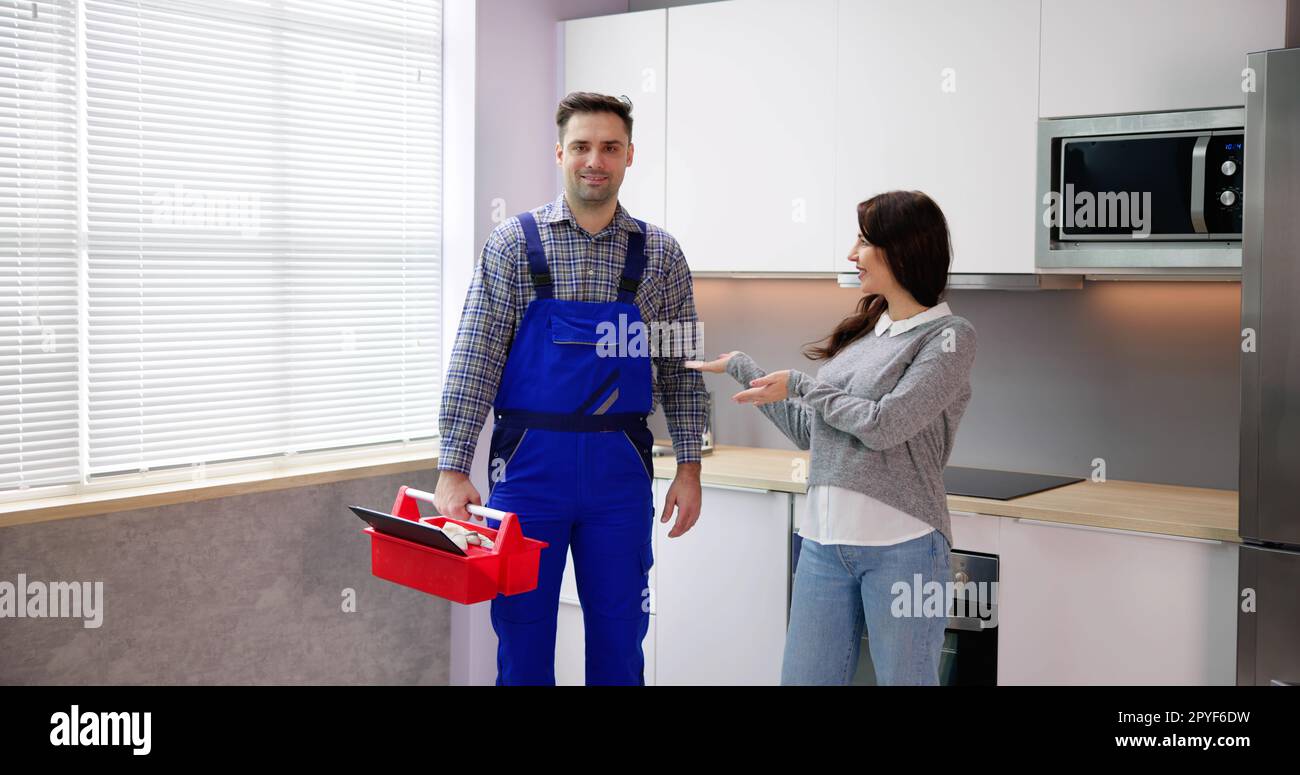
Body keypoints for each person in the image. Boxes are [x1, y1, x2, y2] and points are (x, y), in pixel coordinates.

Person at [434, 92, 708, 686]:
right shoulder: (512, 244)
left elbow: (682, 373)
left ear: (630, 156)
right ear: (560, 152)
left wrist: (690, 466)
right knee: (523, 632)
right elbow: (474, 357)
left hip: (620, 475)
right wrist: (454, 465)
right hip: (527, 473)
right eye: (582, 146)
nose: (595, 160)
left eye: (610, 147)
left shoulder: (662, 256)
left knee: (619, 636)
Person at [686, 190, 977, 685]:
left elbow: (887, 424)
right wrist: (745, 370)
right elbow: (812, 431)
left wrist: (801, 384)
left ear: (901, 248)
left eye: (863, 242)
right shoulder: (868, 335)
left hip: (903, 547)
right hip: (823, 543)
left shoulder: (949, 337)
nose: (851, 254)